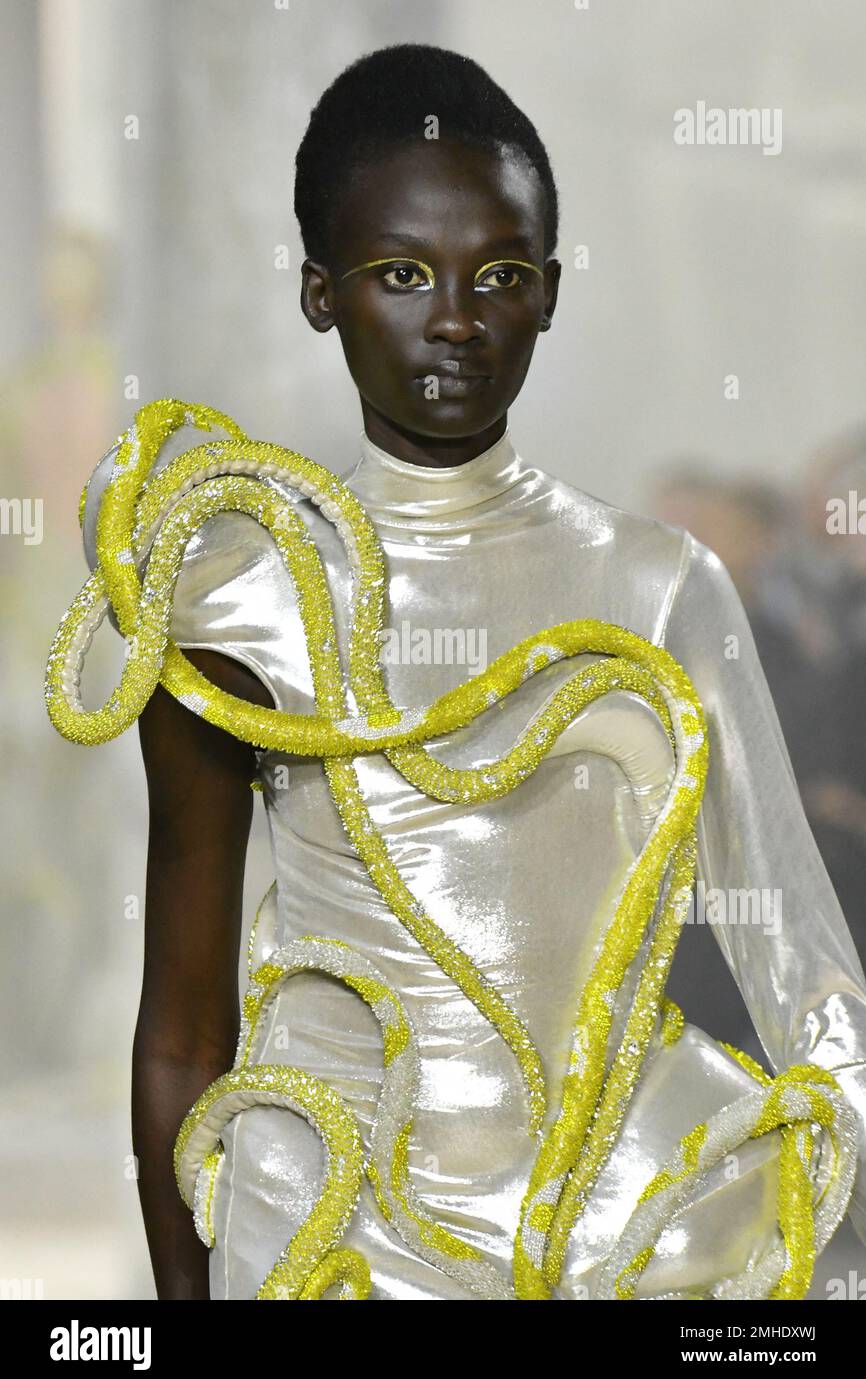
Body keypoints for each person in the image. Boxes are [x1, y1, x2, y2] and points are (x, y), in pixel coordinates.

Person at [48, 43, 866, 1301]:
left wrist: (811, 1176)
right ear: (322, 294)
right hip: (324, 1237)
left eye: (494, 274)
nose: (452, 317)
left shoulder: (658, 584)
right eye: (398, 273)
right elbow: (185, 1024)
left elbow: (802, 965)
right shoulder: (237, 594)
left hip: (632, 1228)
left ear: (547, 289)